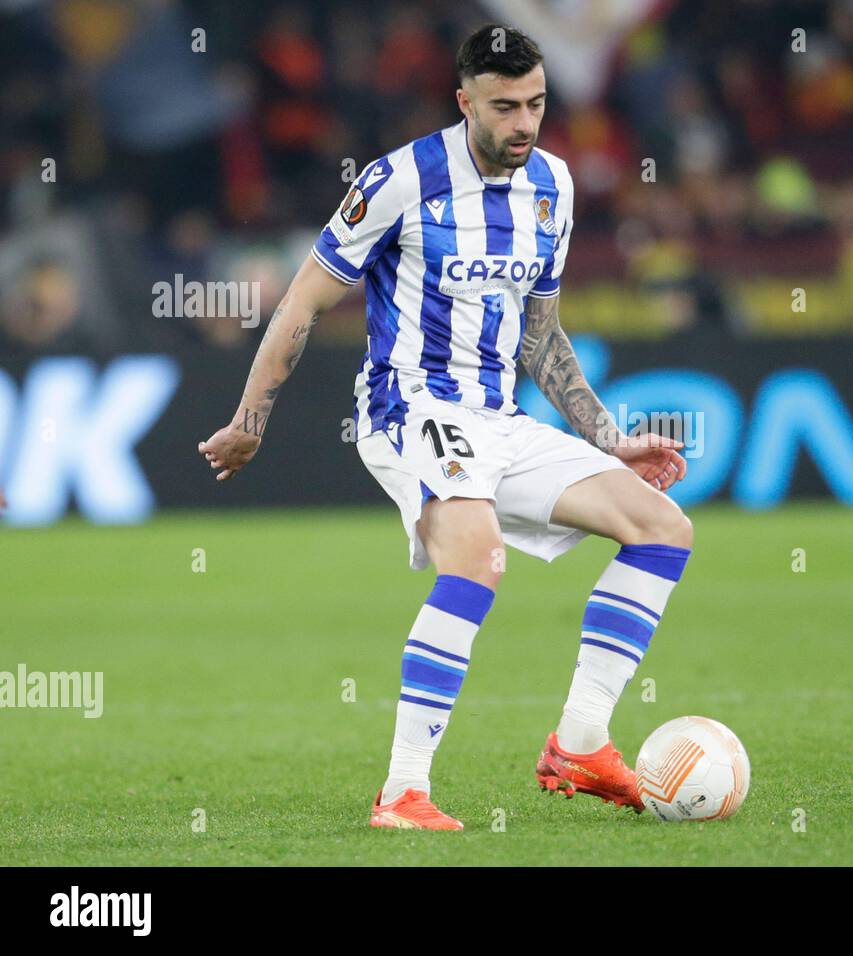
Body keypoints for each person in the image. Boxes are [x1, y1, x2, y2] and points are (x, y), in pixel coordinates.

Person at [197, 24, 692, 830]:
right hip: (410, 408)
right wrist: (250, 420)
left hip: (499, 419)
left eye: (535, 102)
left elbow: (541, 335)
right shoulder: (401, 179)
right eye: (504, 106)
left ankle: (582, 740)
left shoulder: (554, 187)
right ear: (466, 103)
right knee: (478, 557)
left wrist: (609, 437)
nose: (523, 122)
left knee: (663, 527)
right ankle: (402, 792)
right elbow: (302, 301)